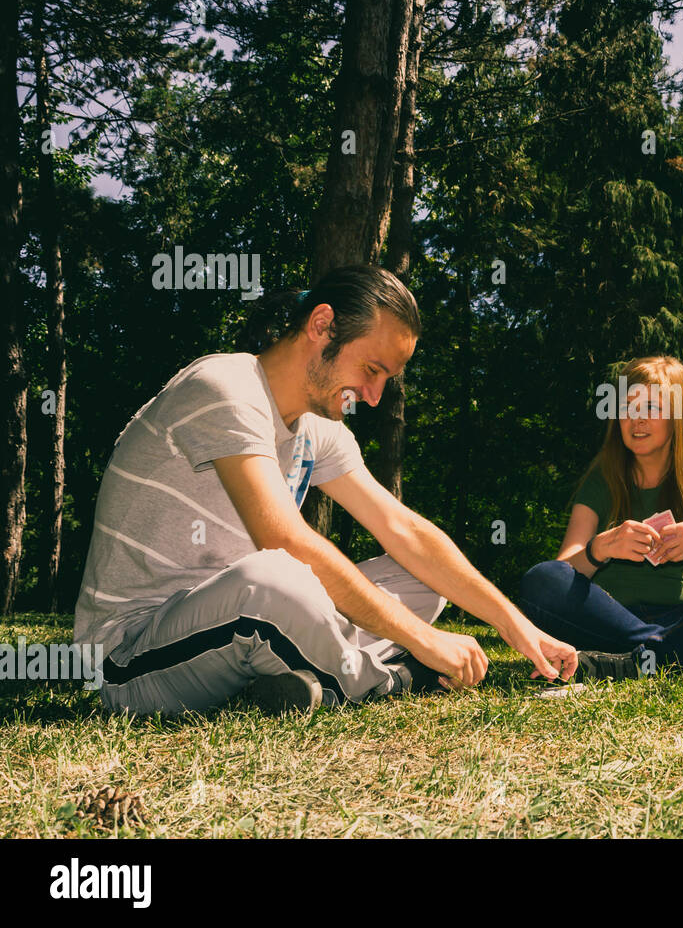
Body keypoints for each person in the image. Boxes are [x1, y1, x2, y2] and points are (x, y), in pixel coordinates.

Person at [74, 264, 577, 716]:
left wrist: (517, 626)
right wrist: (423, 641)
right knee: (273, 575)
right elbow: (285, 539)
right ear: (321, 327)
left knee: (421, 577)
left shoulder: (318, 429)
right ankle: (398, 677)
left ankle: (291, 677)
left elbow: (405, 530)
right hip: (131, 655)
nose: (375, 396)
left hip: (233, 627)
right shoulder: (225, 387)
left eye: (388, 380)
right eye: (372, 370)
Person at [517, 356, 683, 680]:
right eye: (627, 407)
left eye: (651, 407)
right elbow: (561, 571)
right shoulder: (602, 481)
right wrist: (600, 548)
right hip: (609, 619)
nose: (637, 420)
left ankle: (640, 659)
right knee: (540, 580)